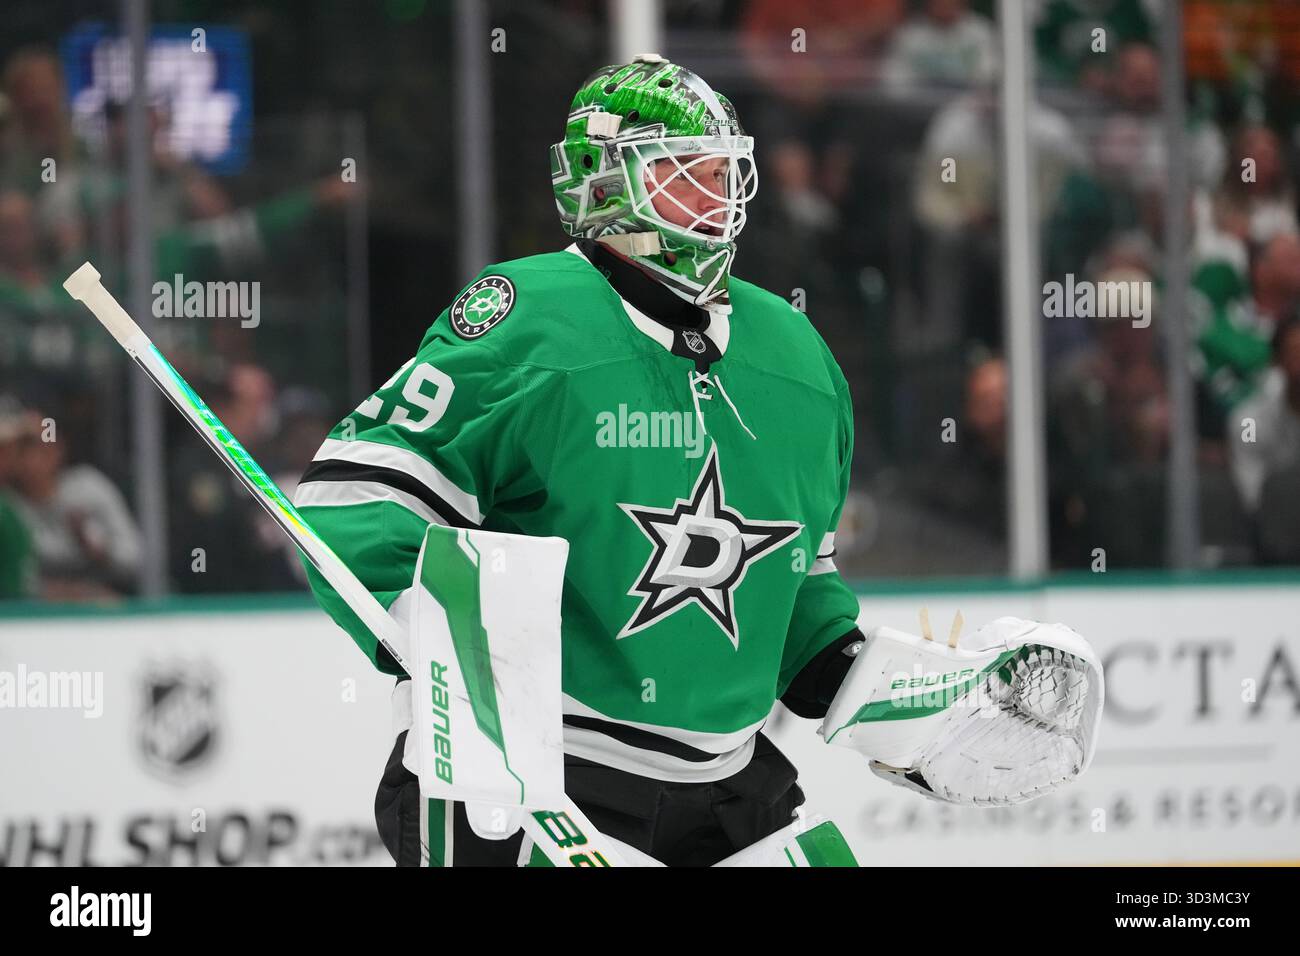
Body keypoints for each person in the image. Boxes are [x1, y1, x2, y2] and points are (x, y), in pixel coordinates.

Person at [296, 55, 864, 867]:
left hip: (728, 789)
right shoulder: (531, 320)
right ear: (601, 184)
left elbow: (800, 580)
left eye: (720, 172)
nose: (712, 198)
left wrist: (865, 680)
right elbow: (359, 498)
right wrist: (438, 635)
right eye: (679, 174)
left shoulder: (797, 355)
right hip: (529, 775)